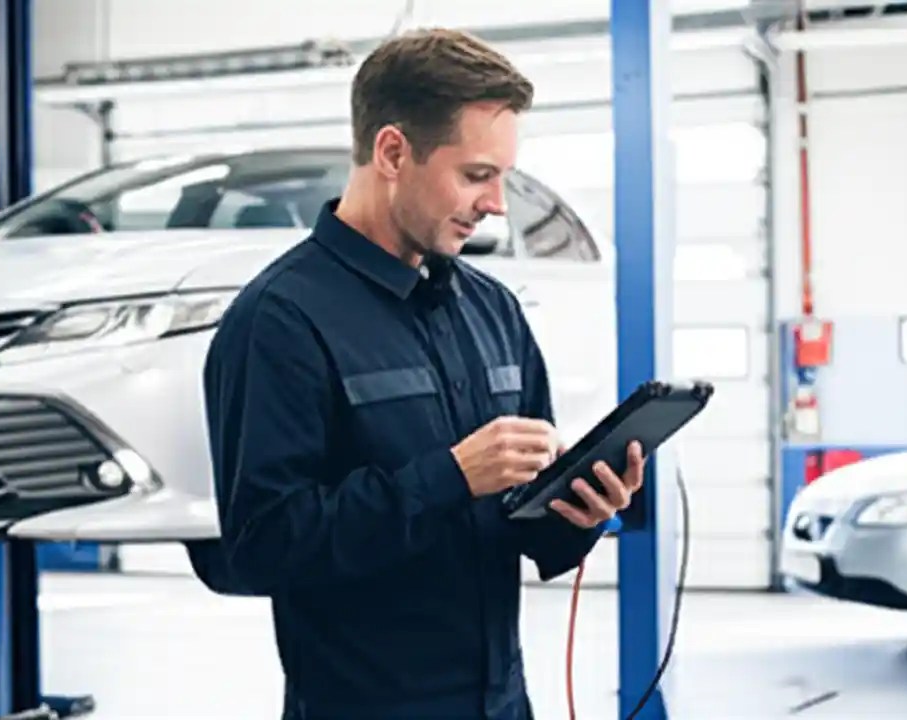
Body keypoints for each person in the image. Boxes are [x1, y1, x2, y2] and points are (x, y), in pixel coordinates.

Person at [199, 28, 645, 720]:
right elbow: (260, 548)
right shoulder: (279, 321)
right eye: (476, 175)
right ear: (392, 152)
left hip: (502, 705)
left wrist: (582, 511)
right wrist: (449, 476)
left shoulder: (494, 310)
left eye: (503, 177)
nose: (496, 202)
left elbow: (521, 528)